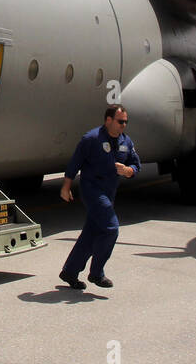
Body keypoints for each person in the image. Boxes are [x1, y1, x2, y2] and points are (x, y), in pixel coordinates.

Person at [59, 105, 140, 289]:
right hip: (92, 190)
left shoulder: (126, 142)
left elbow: (136, 165)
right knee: (111, 228)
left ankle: (70, 271)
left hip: (109, 192)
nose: (123, 125)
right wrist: (66, 186)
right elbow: (74, 163)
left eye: (126, 122)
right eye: (120, 121)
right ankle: (97, 273)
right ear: (108, 120)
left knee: (92, 232)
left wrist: (128, 171)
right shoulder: (91, 139)